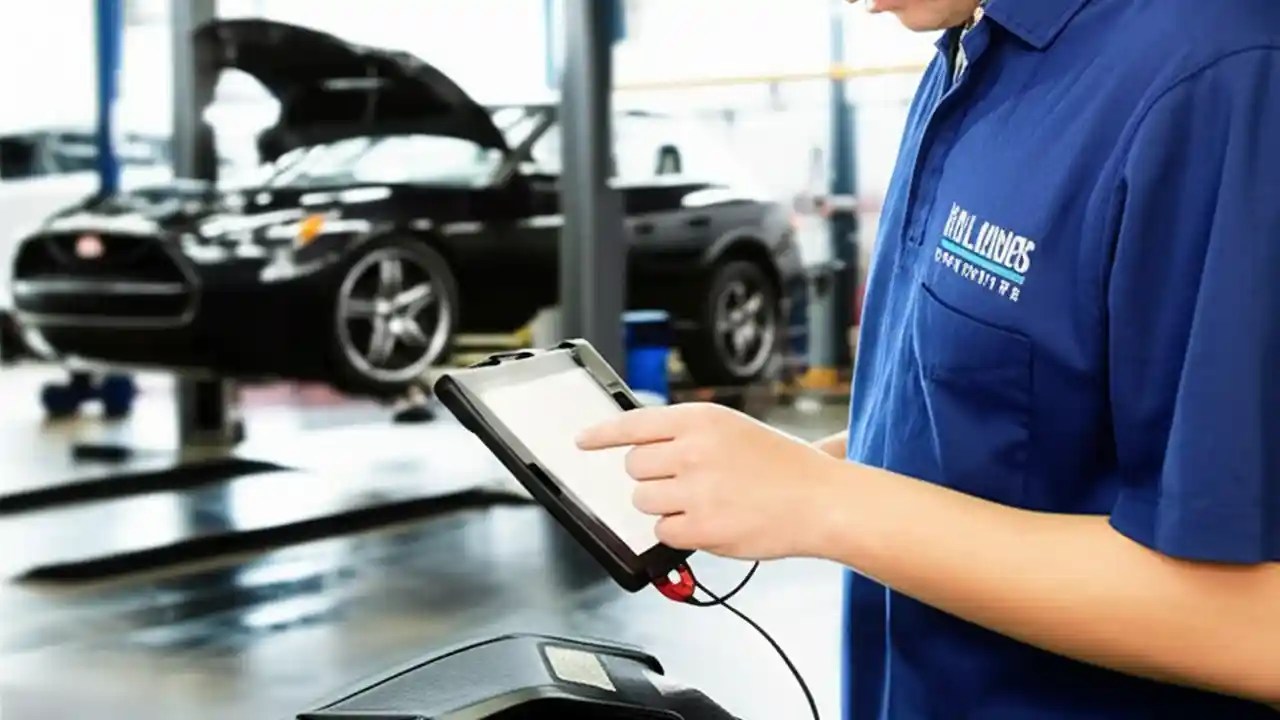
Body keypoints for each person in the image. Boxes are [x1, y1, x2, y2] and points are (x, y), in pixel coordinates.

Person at [576, 0, 1280, 717]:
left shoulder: (1219, 74)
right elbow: (1016, 416)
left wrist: (824, 505)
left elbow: (1261, 628)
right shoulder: (968, 49)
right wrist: (788, 474)